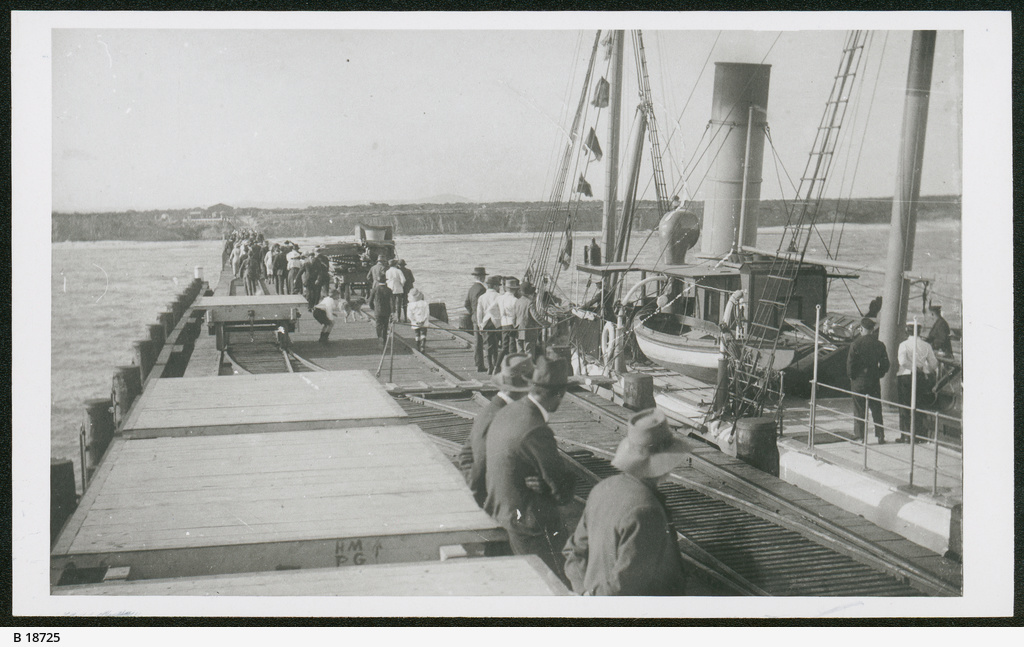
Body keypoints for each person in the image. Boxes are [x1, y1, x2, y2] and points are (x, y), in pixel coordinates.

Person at [563, 408, 690, 596]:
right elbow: (624, 587)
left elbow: (573, 552)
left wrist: (585, 593)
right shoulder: (646, 510)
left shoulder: (602, 488)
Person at [484, 356, 576, 580]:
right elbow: (561, 492)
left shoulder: (508, 410)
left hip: (501, 510)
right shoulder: (536, 429)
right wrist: (565, 478)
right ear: (559, 395)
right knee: (563, 580)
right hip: (528, 526)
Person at [457, 353, 534, 507]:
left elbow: (466, 454)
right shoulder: (500, 418)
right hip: (497, 504)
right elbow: (480, 467)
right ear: (523, 390)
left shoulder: (490, 410)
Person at [846, 318, 890, 443]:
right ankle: (880, 436)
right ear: (872, 330)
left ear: (861, 328)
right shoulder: (880, 345)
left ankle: (860, 436)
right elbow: (886, 364)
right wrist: (879, 374)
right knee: (876, 408)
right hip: (874, 381)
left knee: (859, 409)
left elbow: (850, 365)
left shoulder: (855, 344)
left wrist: (853, 377)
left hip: (859, 381)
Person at [897, 322, 939, 443]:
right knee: (919, 405)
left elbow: (902, 361)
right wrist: (924, 370)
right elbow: (934, 363)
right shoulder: (926, 345)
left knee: (904, 406)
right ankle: (919, 435)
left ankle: (906, 436)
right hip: (920, 378)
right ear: (919, 331)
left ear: (907, 330)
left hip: (905, 376)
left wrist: (914, 367)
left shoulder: (903, 345)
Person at [476, 275, 504, 374]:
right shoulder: (499, 296)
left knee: (488, 345)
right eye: (498, 286)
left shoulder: (482, 297)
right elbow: (502, 311)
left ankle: (490, 367)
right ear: (496, 286)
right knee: (498, 345)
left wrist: (480, 324)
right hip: (497, 323)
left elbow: (479, 312)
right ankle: (497, 365)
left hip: (486, 323)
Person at [464, 267, 488, 373]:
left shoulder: (472, 288)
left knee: (477, 341)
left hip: (474, 317)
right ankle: (480, 365)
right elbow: (482, 305)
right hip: (480, 318)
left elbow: (466, 304)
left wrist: (472, 313)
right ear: (482, 277)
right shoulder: (482, 289)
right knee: (482, 341)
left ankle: (478, 363)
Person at [496, 276, 520, 368]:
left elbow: (492, 309)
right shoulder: (515, 300)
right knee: (512, 347)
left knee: (504, 347)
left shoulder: (500, 298)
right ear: (514, 289)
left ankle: (497, 367)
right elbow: (516, 315)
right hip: (512, 324)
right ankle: (512, 367)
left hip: (503, 323)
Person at [514, 283, 540, 357]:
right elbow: (536, 317)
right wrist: (547, 324)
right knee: (529, 353)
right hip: (529, 331)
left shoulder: (517, 301)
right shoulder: (530, 303)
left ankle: (520, 368)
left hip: (518, 331)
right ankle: (529, 368)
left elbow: (514, 316)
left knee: (520, 353)